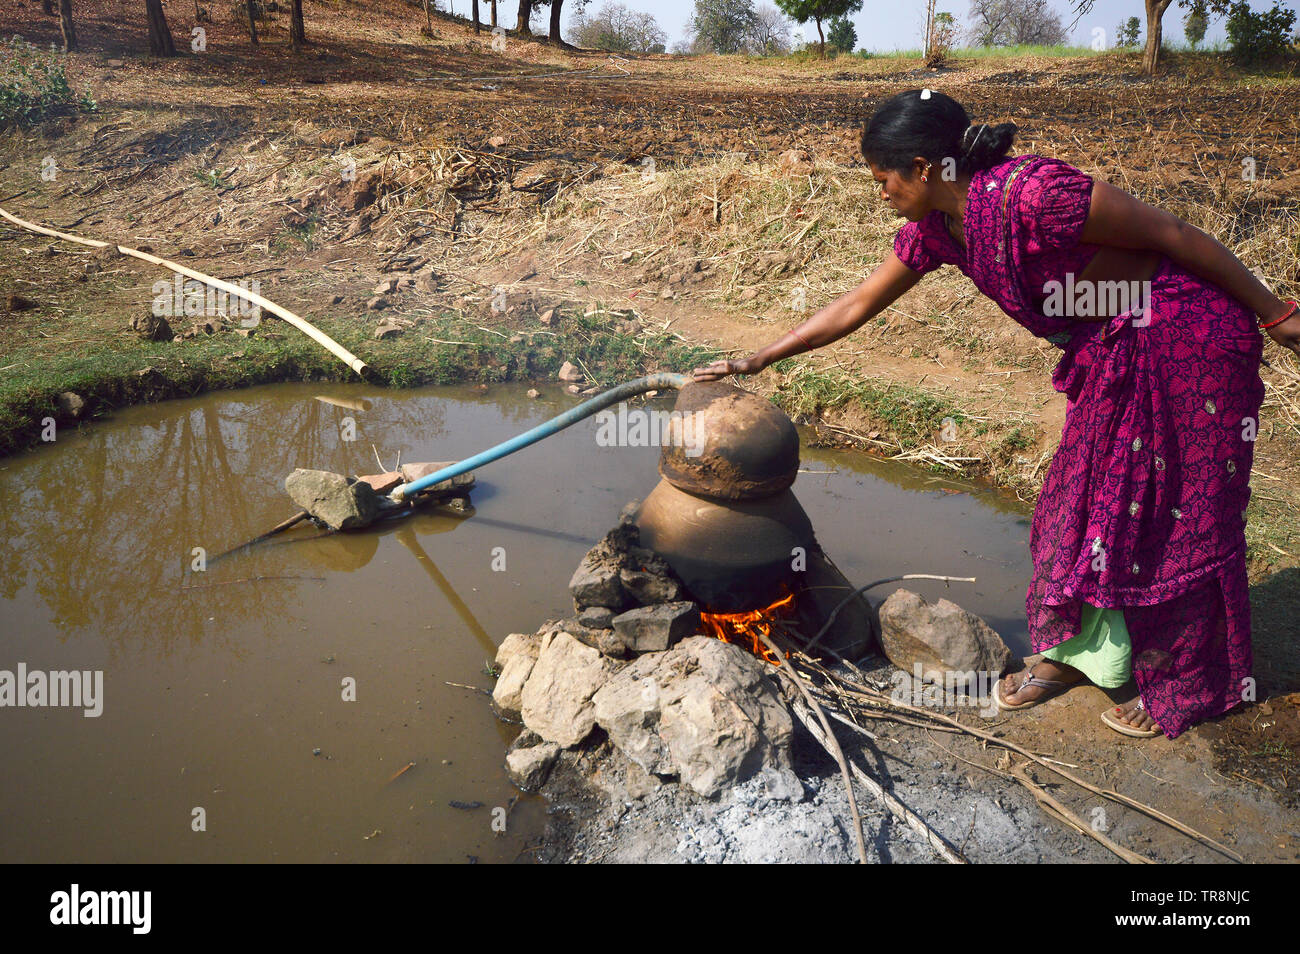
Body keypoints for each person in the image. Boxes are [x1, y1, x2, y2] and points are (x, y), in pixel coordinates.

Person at [692, 88, 1300, 739]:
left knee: (1171, 516)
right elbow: (855, 304)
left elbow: (1173, 234)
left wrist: (1277, 312)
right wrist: (758, 359)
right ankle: (1082, 657)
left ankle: (1189, 679)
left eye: (883, 178)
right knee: (1080, 506)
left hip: (1183, 339)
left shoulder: (1037, 194)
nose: (880, 192)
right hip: (1113, 354)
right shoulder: (939, 230)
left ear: (925, 168)